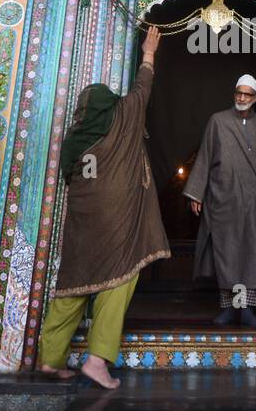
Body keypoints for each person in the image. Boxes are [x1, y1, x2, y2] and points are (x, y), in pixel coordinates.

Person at [37, 27, 170, 388]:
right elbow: (143, 90)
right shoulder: (123, 117)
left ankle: (50, 359)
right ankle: (97, 360)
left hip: (83, 224)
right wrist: (149, 53)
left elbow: (69, 179)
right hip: (117, 222)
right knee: (119, 278)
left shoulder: (74, 140)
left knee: (74, 283)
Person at [183, 73, 256, 327]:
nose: (242, 98)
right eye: (238, 93)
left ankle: (248, 309)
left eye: (247, 95)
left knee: (253, 255)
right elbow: (206, 157)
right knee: (228, 255)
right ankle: (229, 309)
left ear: (255, 98)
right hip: (224, 200)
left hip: (255, 205)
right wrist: (197, 192)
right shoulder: (218, 121)